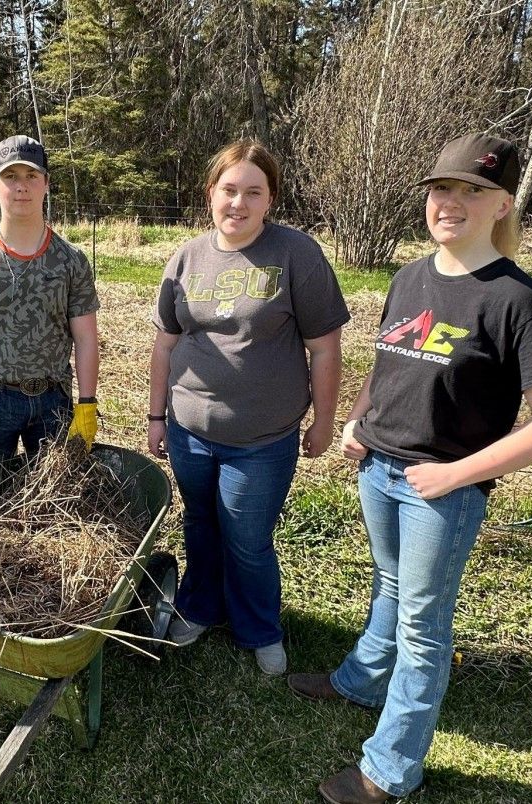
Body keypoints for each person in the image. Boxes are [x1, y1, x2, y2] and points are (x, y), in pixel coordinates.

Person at [287, 133, 532, 804]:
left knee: (424, 626)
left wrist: (457, 476)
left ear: (502, 204)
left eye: (471, 191)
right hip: (379, 471)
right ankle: (359, 683)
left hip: (438, 493)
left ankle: (390, 771)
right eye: (441, 189)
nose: (450, 202)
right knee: (390, 587)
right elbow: (391, 362)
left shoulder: (518, 302)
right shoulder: (410, 277)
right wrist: (359, 422)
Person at [147, 139, 349, 676]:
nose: (238, 203)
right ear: (211, 192)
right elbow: (166, 343)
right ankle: (199, 607)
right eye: (229, 189)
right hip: (190, 431)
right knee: (199, 525)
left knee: (248, 540)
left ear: (270, 200)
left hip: (263, 439)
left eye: (252, 193)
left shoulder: (294, 255)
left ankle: (259, 627)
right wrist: (156, 418)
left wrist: (324, 421)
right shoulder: (188, 256)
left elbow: (324, 346)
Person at [0, 135, 100, 488]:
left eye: (31, 176)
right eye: (11, 176)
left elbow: (86, 337)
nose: (21, 186)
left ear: (46, 183)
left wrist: (86, 403)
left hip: (53, 399)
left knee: (52, 497)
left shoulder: (70, 260)